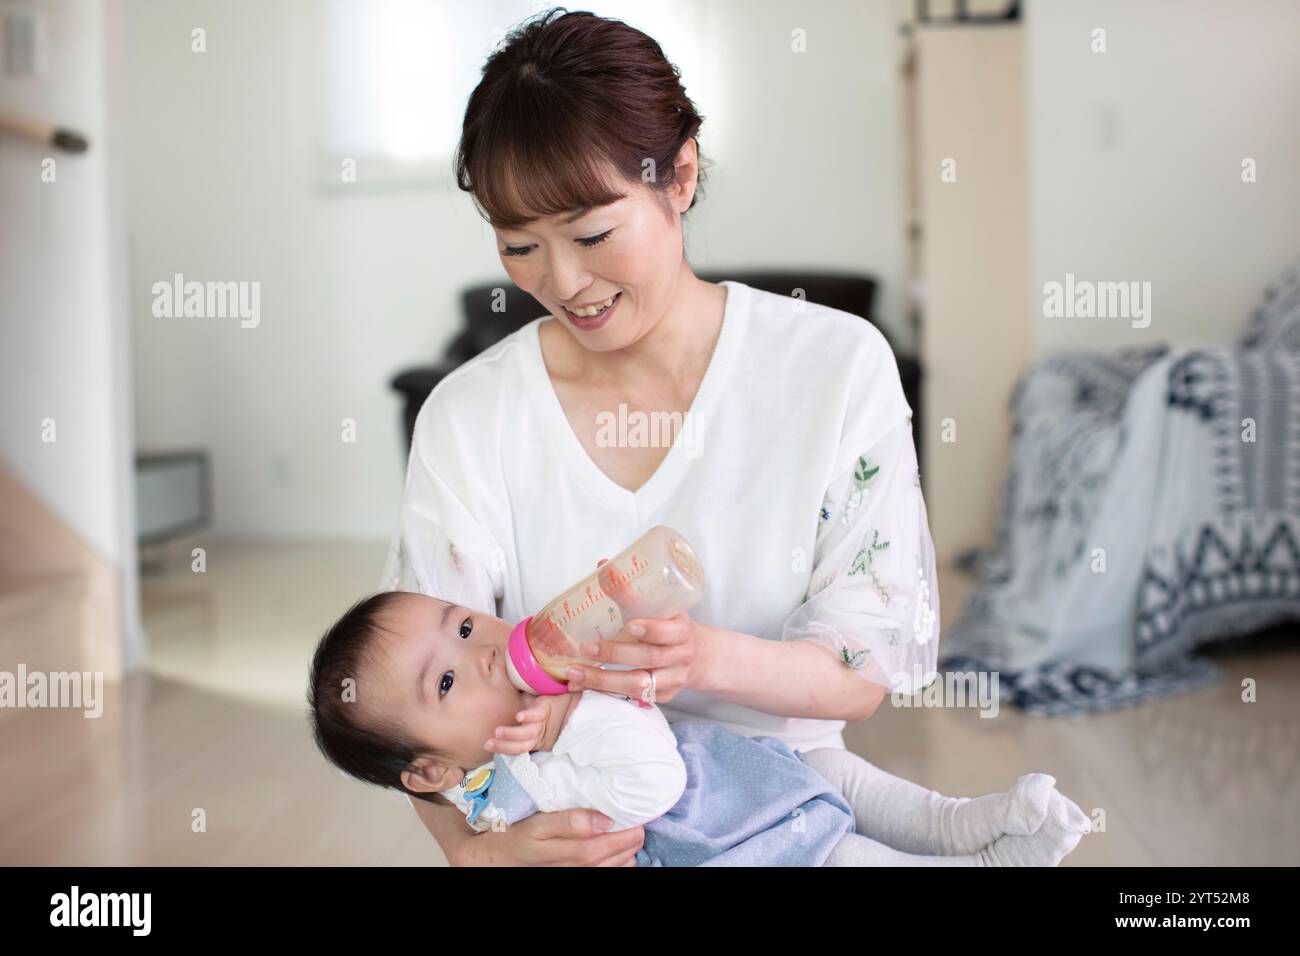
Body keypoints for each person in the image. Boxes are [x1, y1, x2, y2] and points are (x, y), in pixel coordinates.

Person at [382, 8, 942, 866]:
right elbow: (407, 703)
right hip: (576, 824)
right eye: (519, 245)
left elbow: (859, 673)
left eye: (593, 234)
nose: (563, 282)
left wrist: (701, 661)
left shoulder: (834, 369)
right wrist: (478, 854)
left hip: (789, 809)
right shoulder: (470, 417)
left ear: (678, 175)